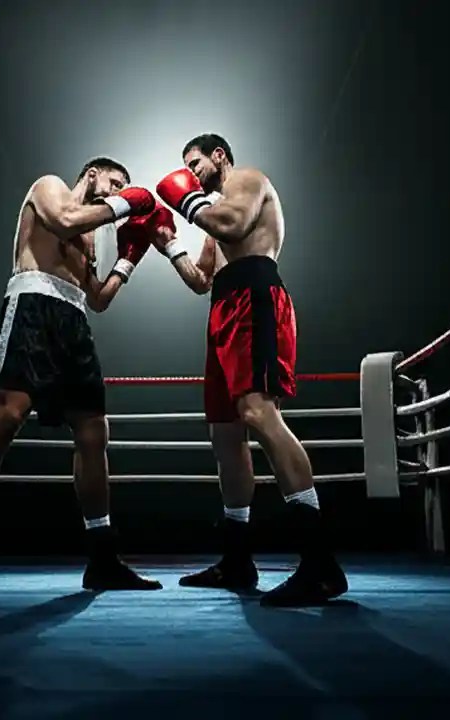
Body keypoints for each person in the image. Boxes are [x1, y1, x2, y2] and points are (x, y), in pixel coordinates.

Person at [0, 157, 164, 601]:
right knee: (8, 417)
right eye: (115, 182)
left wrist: (130, 258)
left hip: (75, 320)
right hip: (33, 305)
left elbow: (99, 298)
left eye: (126, 187)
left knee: (93, 432)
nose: (118, 191)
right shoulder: (49, 188)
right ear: (92, 174)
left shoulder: (92, 235)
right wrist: (128, 205)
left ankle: (102, 560)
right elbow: (66, 219)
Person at [151, 134, 348, 607]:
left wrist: (184, 198)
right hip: (223, 308)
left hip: (255, 297)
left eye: (195, 163)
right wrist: (170, 245)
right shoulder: (211, 216)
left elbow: (233, 223)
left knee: (260, 415)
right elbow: (201, 281)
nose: (191, 174)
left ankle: (320, 563)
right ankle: (238, 560)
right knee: (225, 434)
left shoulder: (247, 181)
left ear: (219, 155)